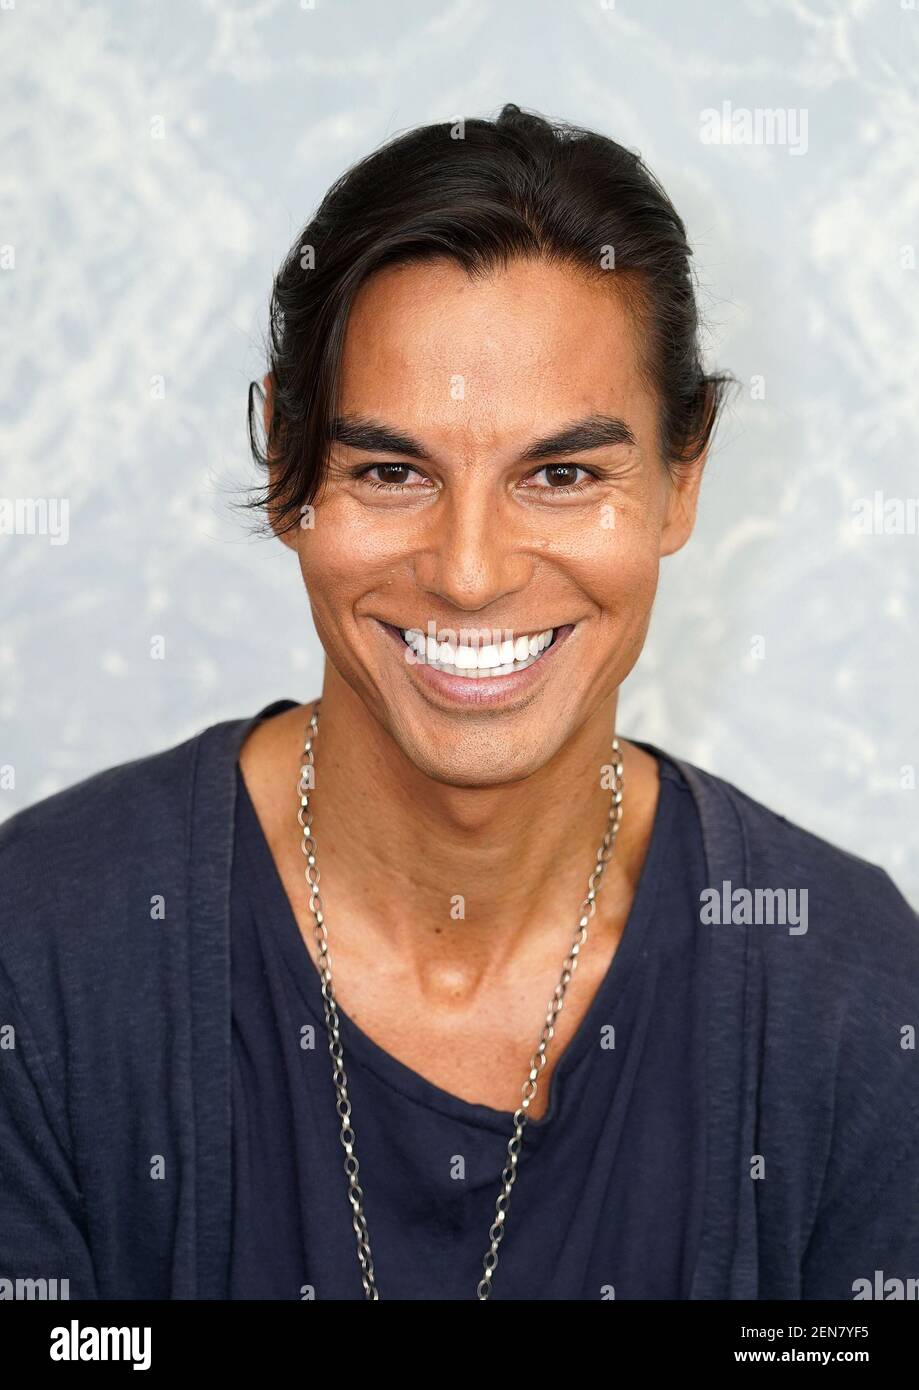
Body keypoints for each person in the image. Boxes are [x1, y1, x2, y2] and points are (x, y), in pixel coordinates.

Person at [1, 104, 917, 1303]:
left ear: (680, 483)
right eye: (391, 471)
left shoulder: (846, 990)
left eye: (561, 474)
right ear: (287, 476)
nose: (470, 570)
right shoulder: (45, 955)